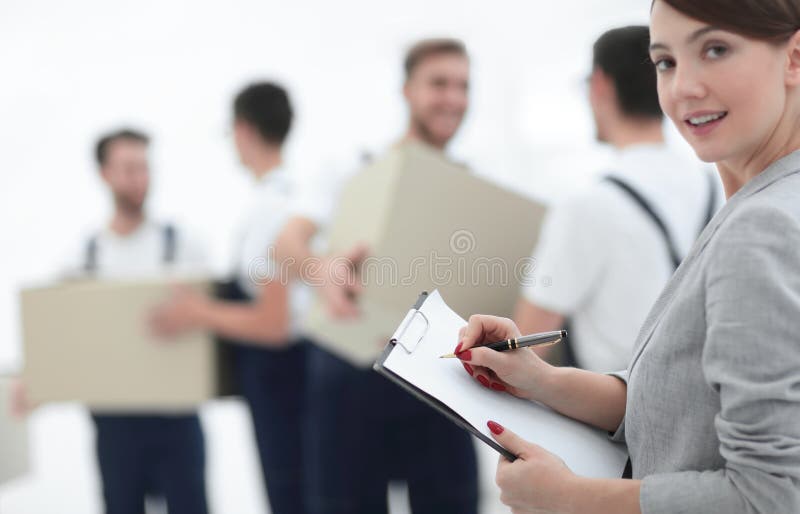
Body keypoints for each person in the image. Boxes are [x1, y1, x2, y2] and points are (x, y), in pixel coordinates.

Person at [452, 1, 800, 512]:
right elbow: (690, 404)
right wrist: (543, 379)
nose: (683, 87)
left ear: (794, 56)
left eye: (716, 49)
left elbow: (770, 495)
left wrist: (570, 498)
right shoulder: (758, 200)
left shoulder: (761, 226)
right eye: (666, 61)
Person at [275, 39, 479, 514]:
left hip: (440, 381)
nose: (453, 98)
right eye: (439, 83)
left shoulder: (473, 186)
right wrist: (320, 270)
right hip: (351, 373)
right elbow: (287, 244)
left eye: (463, 86)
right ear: (407, 90)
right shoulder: (352, 167)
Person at [514, 25, 718, 372]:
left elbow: (525, 347)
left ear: (599, 85)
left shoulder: (588, 205)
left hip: (612, 420)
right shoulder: (716, 188)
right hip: (699, 412)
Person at [150, 82, 309, 514]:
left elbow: (274, 325)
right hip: (291, 383)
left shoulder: (270, 211)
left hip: (284, 383)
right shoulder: (296, 197)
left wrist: (196, 311)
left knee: (291, 496)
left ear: (242, 129)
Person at [80, 129, 210, 514]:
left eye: (144, 167)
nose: (139, 177)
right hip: (114, 424)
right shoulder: (83, 257)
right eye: (128, 167)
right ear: (105, 173)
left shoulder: (185, 244)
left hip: (177, 422)